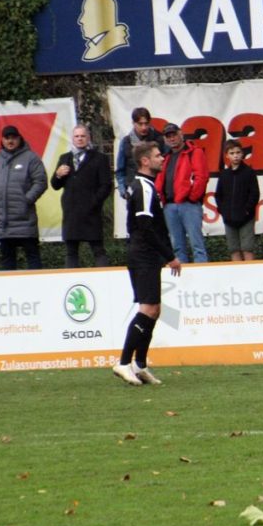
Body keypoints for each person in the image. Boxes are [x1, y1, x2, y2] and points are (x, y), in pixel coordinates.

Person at [112, 143, 182, 385]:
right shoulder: (142, 186)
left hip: (147, 254)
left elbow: (156, 227)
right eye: (157, 155)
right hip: (142, 253)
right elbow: (145, 227)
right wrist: (169, 255)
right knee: (148, 309)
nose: (162, 158)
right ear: (144, 161)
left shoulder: (148, 186)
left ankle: (140, 365)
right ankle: (123, 363)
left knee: (155, 309)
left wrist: (165, 253)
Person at [51, 124, 112, 268]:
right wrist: (58, 175)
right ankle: (70, 283)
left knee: (98, 250)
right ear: (72, 139)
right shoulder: (65, 158)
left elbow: (106, 185)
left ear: (88, 138)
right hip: (71, 212)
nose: (80, 139)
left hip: (91, 212)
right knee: (71, 252)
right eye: (77, 136)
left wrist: (94, 202)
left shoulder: (100, 158)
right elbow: (55, 185)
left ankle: (105, 282)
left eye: (82, 136)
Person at [0, 125, 47, 270]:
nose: (10, 141)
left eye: (13, 138)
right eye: (7, 138)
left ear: (19, 139)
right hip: (4, 223)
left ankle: (38, 290)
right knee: (8, 264)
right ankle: (10, 293)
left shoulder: (31, 157)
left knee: (33, 260)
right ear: (2, 140)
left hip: (25, 220)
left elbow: (41, 181)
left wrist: (26, 200)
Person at [155, 122, 208, 263]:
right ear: (165, 139)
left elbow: (201, 177)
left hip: (189, 205)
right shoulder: (165, 157)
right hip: (170, 206)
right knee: (177, 248)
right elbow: (160, 178)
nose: (172, 138)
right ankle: (182, 282)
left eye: (174, 135)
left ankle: (204, 279)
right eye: (168, 136)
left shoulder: (195, 152)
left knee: (197, 245)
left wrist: (192, 197)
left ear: (181, 134)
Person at [216, 139, 260, 261]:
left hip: (246, 218)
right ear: (227, 155)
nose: (235, 156)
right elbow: (218, 195)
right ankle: (238, 276)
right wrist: (224, 211)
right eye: (232, 153)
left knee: (247, 248)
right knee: (233, 249)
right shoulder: (224, 174)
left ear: (242, 154)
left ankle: (251, 275)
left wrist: (247, 210)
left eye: (238, 152)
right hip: (229, 218)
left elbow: (254, 194)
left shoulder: (249, 172)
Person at [114, 107, 166, 196]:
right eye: (140, 124)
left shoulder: (160, 139)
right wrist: (123, 190)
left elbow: (167, 165)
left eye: (146, 124)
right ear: (133, 123)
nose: (144, 127)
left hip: (157, 189)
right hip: (134, 189)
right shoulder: (126, 141)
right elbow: (120, 170)